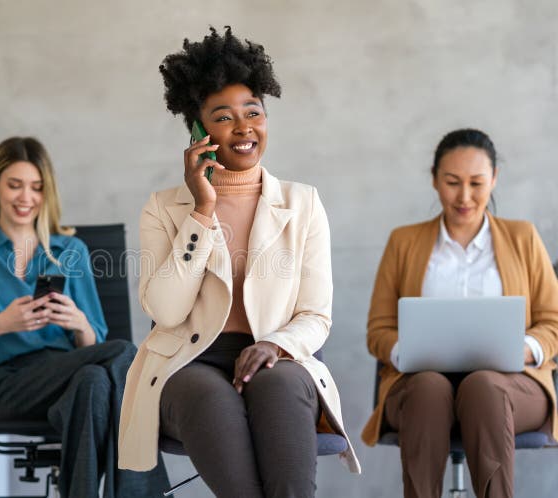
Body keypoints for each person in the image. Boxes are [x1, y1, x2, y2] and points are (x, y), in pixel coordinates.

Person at [118, 27, 360, 498]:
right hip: (188, 364)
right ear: (198, 129)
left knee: (282, 388)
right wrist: (201, 211)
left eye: (253, 112)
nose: (244, 127)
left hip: (275, 355)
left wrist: (275, 345)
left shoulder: (304, 203)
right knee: (209, 400)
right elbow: (166, 313)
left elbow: (315, 314)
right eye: (223, 117)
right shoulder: (163, 208)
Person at [0, 136, 168, 498]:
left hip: (70, 374)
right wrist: (4, 322)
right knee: (125, 353)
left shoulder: (70, 249)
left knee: (96, 381)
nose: (25, 198)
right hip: (8, 384)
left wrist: (78, 322)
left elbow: (93, 340)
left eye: (36, 187)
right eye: (14, 185)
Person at [362, 128, 558, 498]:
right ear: (435, 180)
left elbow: (554, 321)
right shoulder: (403, 242)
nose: (464, 196)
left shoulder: (524, 237)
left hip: (511, 386)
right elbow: (379, 329)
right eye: (452, 182)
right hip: (421, 384)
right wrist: (408, 351)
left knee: (484, 385)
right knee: (428, 389)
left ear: (494, 179)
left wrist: (527, 347)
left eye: (476, 183)